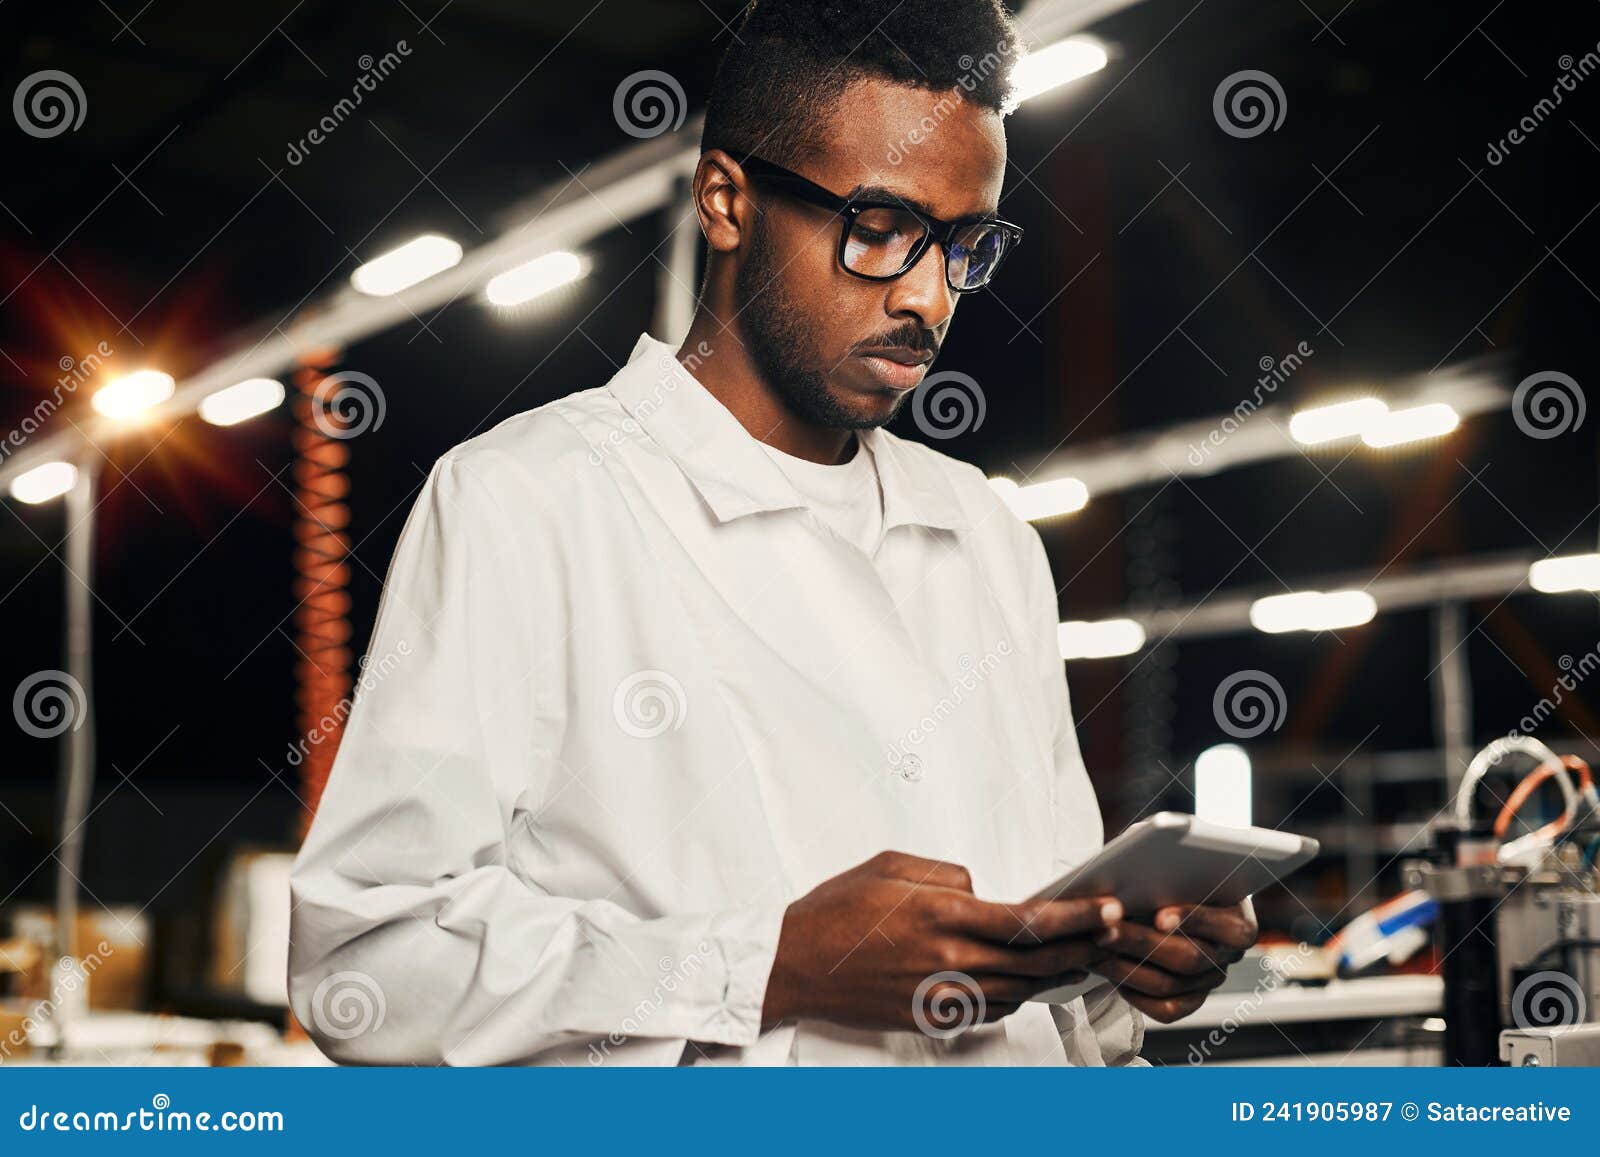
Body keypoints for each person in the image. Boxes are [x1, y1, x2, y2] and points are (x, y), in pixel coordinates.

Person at [288, 0, 1257, 1066]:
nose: (929, 297)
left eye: (964, 243)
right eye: (880, 229)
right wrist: (771, 963)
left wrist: (1124, 964)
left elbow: (1047, 992)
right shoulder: (530, 500)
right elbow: (365, 971)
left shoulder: (984, 532)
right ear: (726, 201)